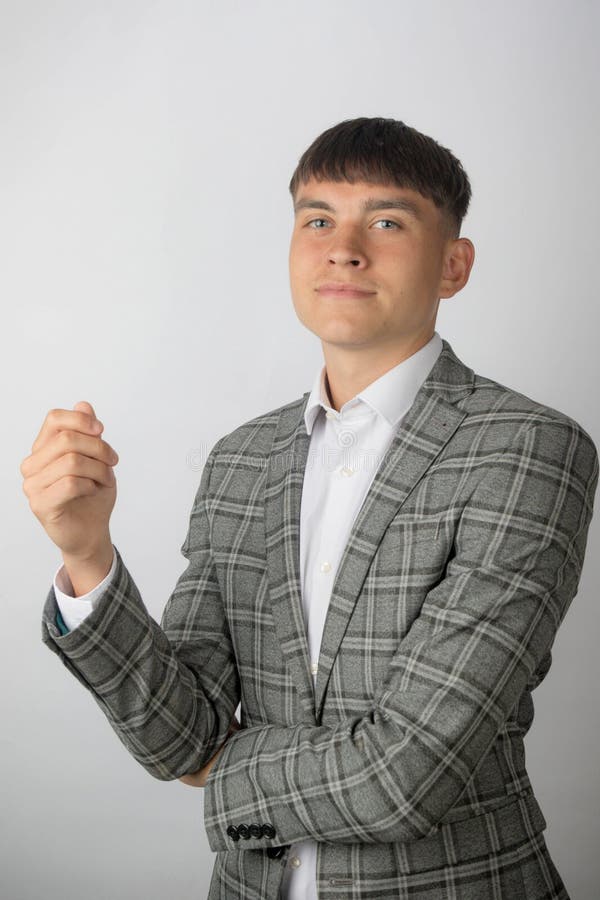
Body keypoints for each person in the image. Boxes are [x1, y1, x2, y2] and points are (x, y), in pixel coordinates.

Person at [22, 118, 598, 900]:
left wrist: (217, 768)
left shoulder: (527, 449)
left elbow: (404, 776)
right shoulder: (241, 459)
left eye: (386, 222)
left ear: (453, 265)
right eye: (318, 220)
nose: (344, 248)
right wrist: (87, 554)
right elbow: (179, 736)